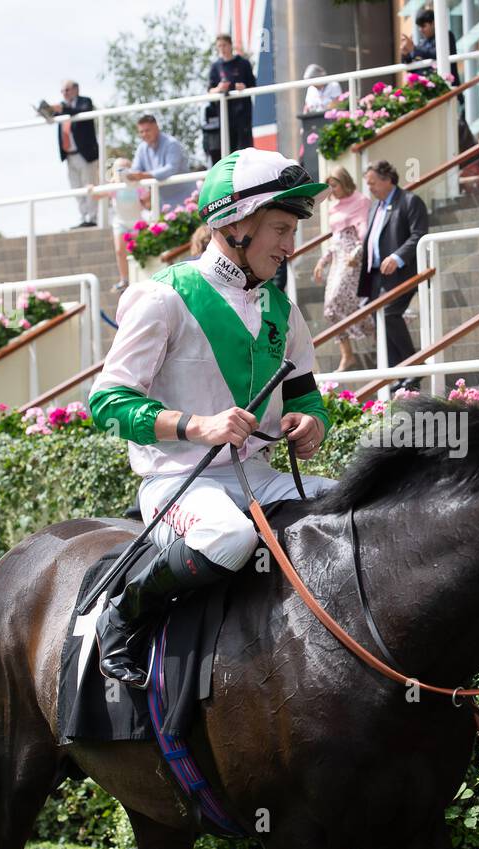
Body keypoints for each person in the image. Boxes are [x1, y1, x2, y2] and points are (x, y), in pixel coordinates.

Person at [88, 148, 335, 687]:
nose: (290, 246)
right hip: (178, 480)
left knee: (353, 510)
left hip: (261, 478)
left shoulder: (284, 312)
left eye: (292, 231)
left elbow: (307, 400)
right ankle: (123, 615)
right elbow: (106, 403)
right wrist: (197, 427)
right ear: (236, 224)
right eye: (280, 229)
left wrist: (312, 425)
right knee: (228, 537)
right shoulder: (163, 297)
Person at [356, 160, 428, 384]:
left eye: (373, 183)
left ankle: (414, 366)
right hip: (376, 275)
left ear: (388, 179)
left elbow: (419, 234)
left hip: (403, 274)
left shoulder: (409, 201)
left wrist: (397, 257)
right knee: (380, 319)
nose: (370, 188)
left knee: (389, 314)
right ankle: (400, 374)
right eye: (368, 184)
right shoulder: (375, 206)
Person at [312, 168, 370, 372]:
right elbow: (335, 239)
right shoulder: (333, 209)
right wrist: (323, 260)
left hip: (353, 260)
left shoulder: (361, 201)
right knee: (330, 308)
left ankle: (371, 328)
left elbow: (365, 232)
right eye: (329, 186)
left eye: (334, 185)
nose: (332, 190)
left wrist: (357, 253)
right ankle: (348, 354)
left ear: (344, 182)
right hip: (338, 260)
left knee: (338, 301)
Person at [399, 9, 477, 158]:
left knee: (459, 134)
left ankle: (473, 160)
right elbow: (411, 64)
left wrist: (414, 49)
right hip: (432, 97)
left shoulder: (446, 36)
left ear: (434, 23)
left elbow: (436, 55)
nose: (421, 30)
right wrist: (405, 53)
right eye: (420, 27)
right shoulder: (423, 43)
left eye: (424, 26)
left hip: (450, 94)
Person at [50, 80, 101, 229]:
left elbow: (81, 112)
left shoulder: (85, 102)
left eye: (67, 90)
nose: (64, 94)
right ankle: (83, 216)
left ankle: (92, 218)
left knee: (89, 185)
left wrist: (63, 108)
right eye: (63, 91)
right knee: (76, 188)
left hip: (85, 154)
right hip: (69, 155)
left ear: (76, 89)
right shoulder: (62, 107)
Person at [93, 157, 147, 292]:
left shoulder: (137, 186)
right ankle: (124, 279)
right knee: (119, 250)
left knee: (137, 251)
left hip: (137, 222)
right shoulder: (114, 187)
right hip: (121, 222)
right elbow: (97, 195)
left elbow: (147, 200)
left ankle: (142, 277)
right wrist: (92, 188)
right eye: (118, 169)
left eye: (124, 168)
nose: (122, 172)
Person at [206, 34, 257, 164]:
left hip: (243, 114)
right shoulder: (215, 67)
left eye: (224, 45)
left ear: (230, 45)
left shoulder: (243, 63)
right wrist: (219, 88)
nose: (222, 48)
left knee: (246, 149)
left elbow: (253, 84)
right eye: (219, 46)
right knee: (228, 150)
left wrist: (243, 87)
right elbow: (210, 90)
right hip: (225, 116)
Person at [127, 114, 193, 213]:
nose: (144, 134)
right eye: (141, 131)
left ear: (157, 128)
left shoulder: (171, 143)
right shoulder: (141, 148)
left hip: (186, 200)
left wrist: (144, 175)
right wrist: (126, 174)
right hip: (162, 204)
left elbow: (171, 169)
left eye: (147, 130)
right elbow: (135, 169)